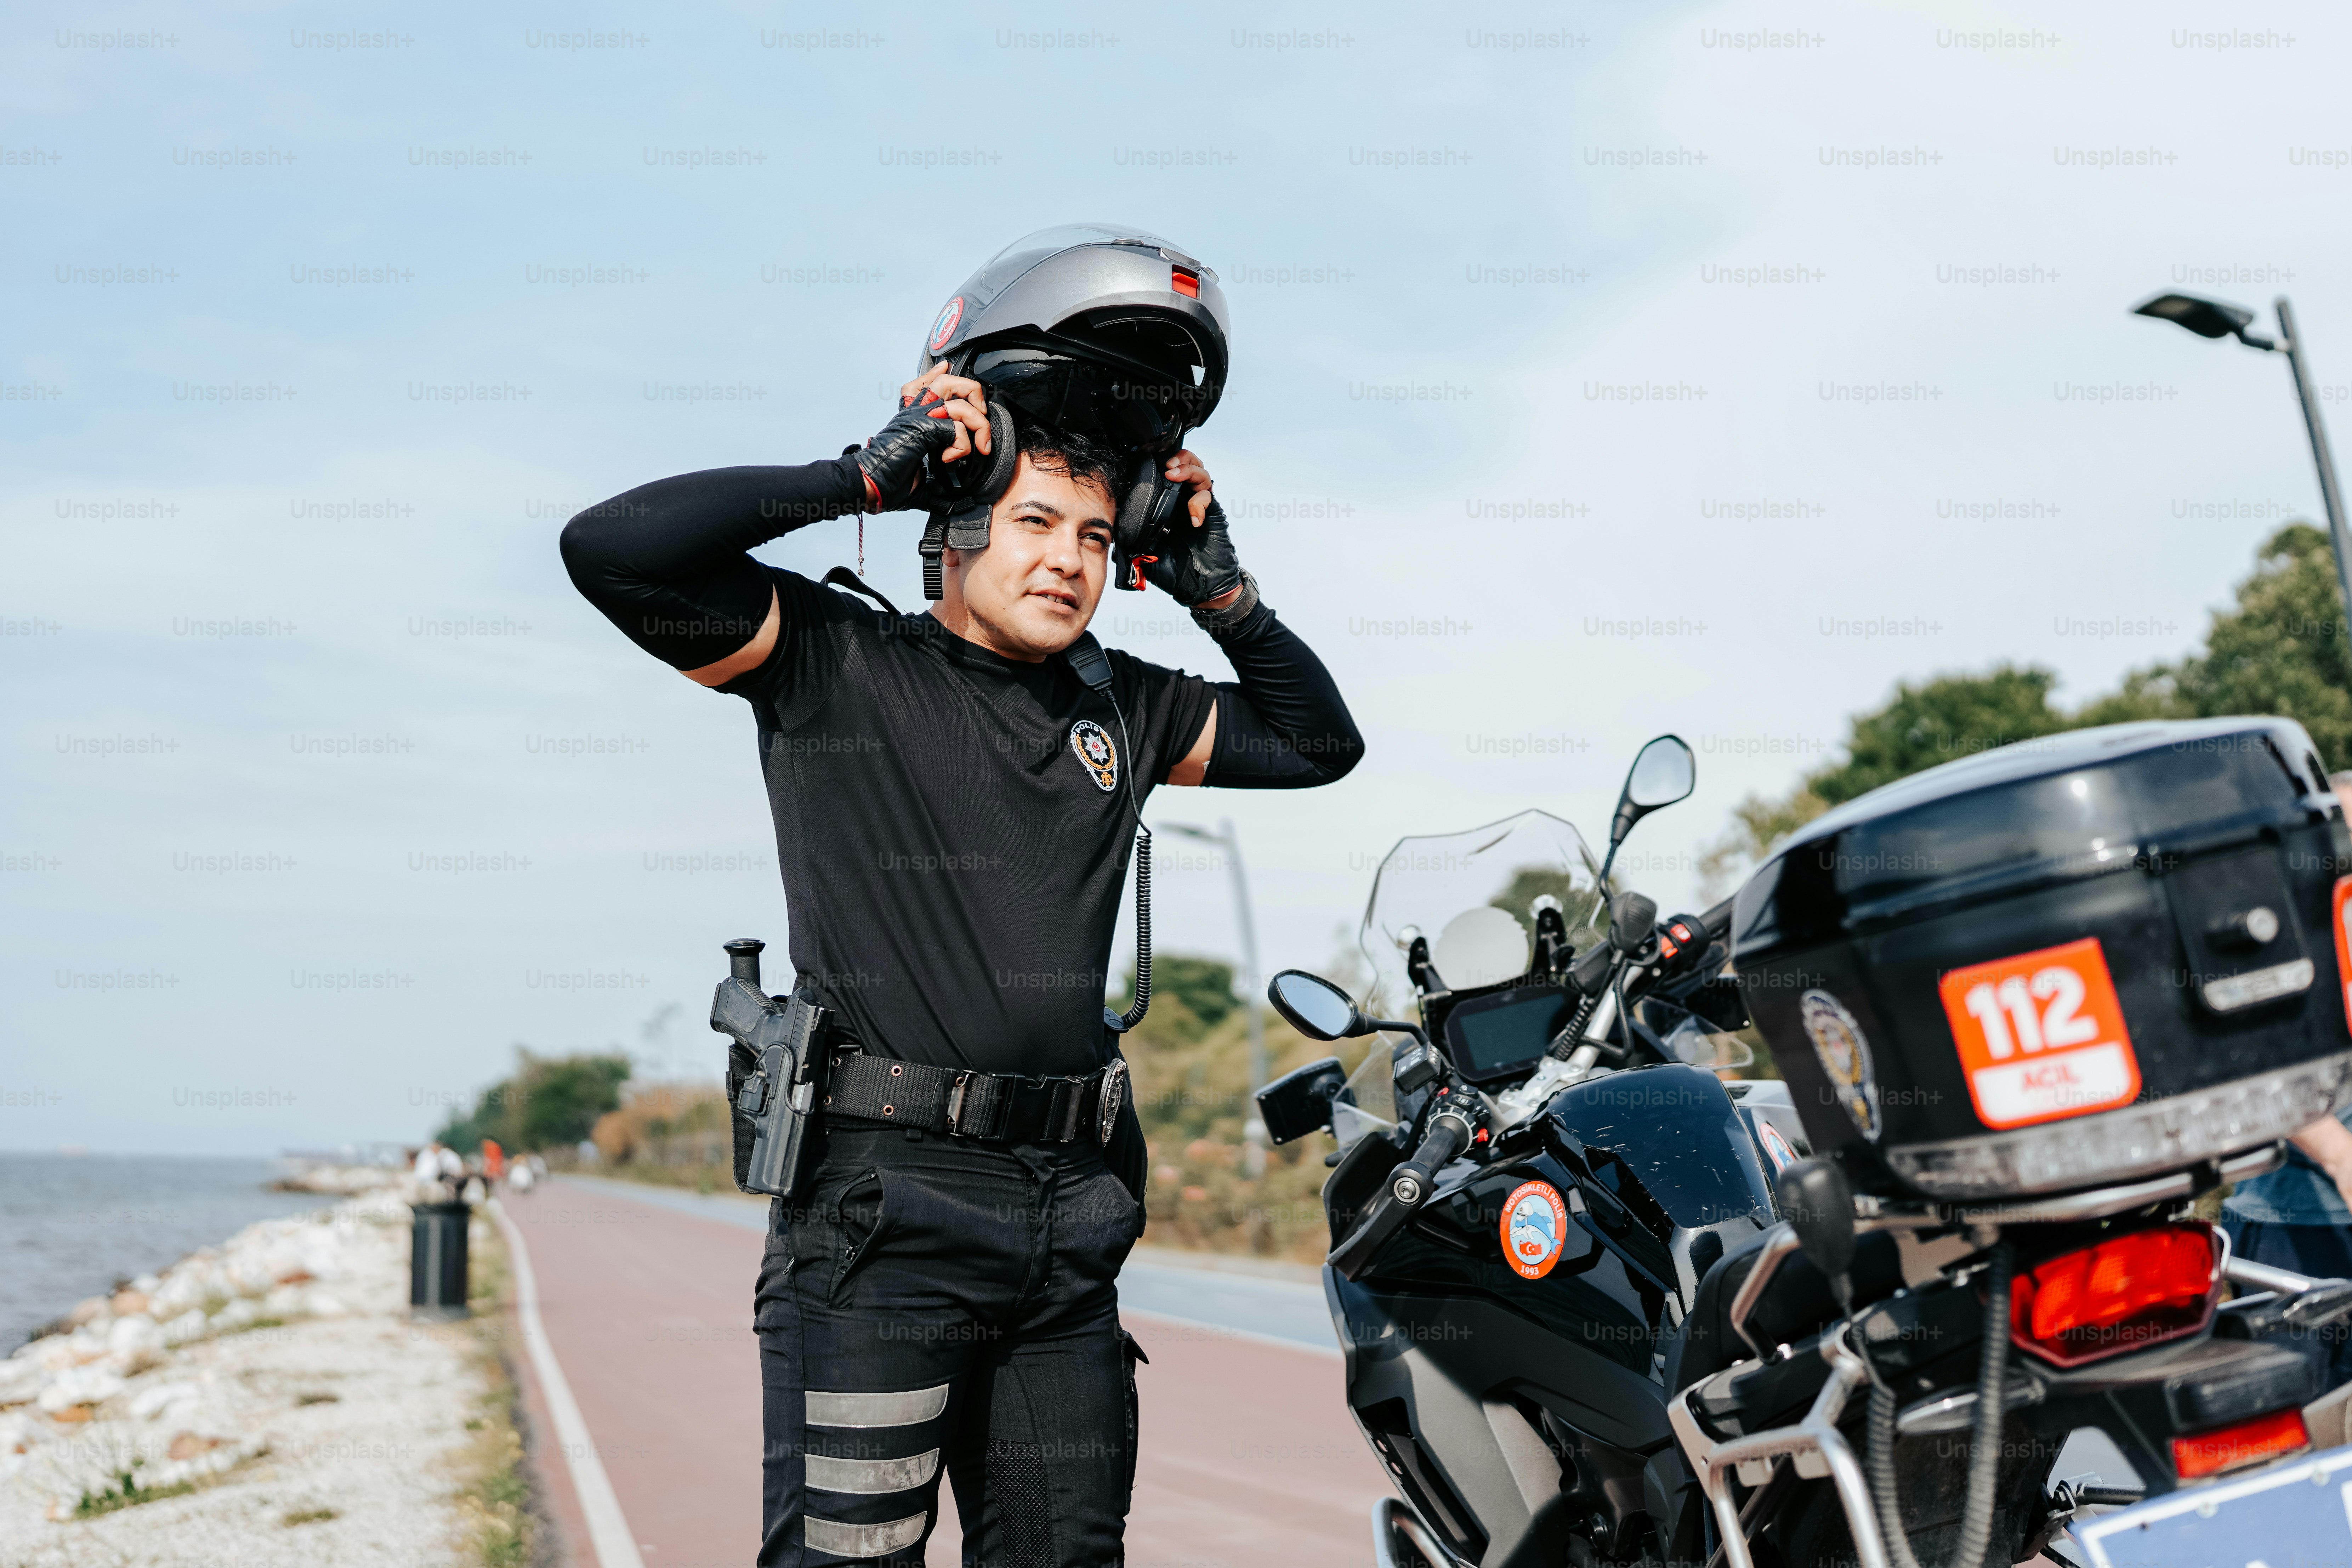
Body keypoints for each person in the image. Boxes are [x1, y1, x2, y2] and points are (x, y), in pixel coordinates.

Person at [559, 226, 1361, 1568]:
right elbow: (614, 549)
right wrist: (851, 476)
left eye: (1100, 536)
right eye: (1037, 522)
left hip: (1072, 1218)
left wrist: (1219, 587)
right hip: (886, 1219)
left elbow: (1315, 741)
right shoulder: (829, 663)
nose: (1069, 560)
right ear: (952, 534)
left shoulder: (1123, 700)